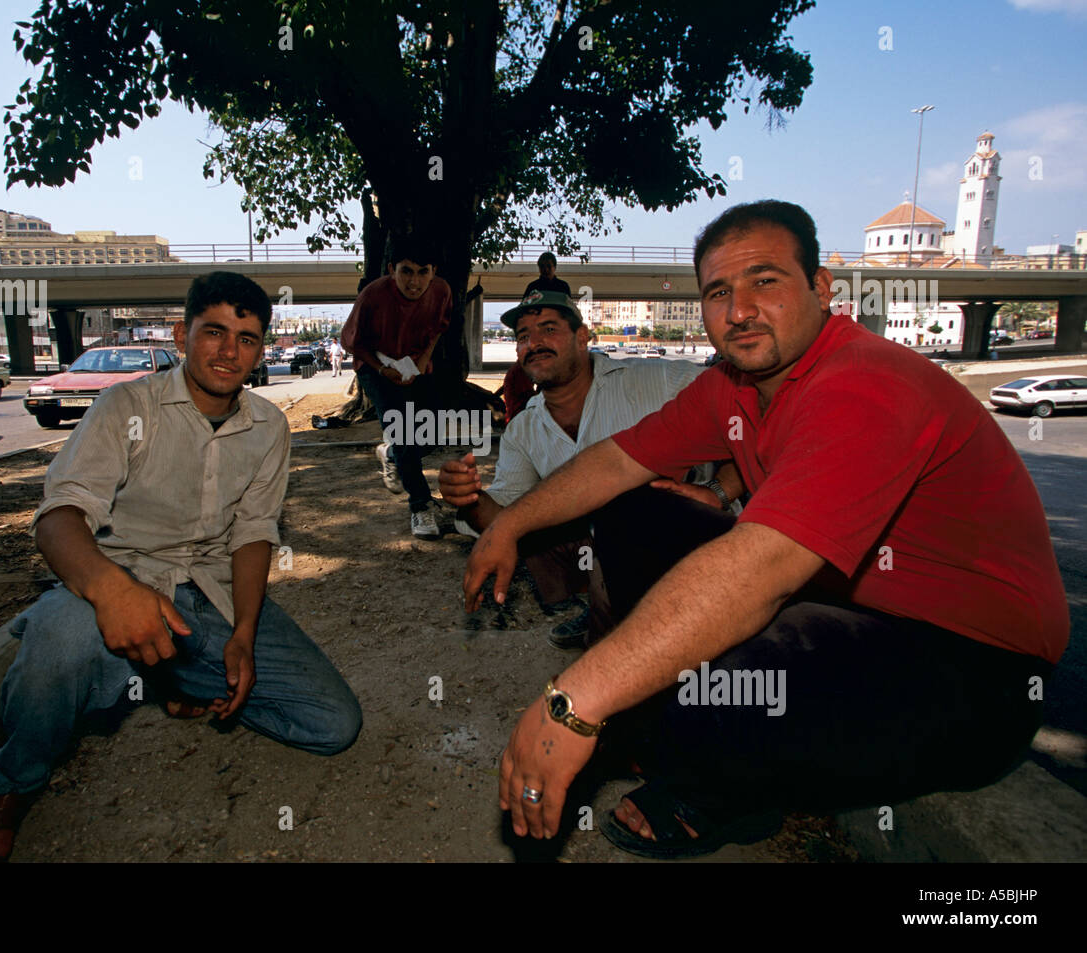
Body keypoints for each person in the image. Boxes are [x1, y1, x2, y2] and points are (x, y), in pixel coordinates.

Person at [464, 200, 1067, 858]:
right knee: (633, 510)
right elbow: (618, 460)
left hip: (979, 672)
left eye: (766, 281)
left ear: (820, 288)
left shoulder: (865, 384)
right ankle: (664, 725)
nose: (740, 309)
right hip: (856, 606)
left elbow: (761, 569)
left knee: (719, 683)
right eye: (718, 291)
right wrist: (510, 525)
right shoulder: (736, 383)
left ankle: (726, 789)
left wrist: (573, 699)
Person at [0, 271, 362, 862]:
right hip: (123, 585)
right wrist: (111, 592)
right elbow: (58, 518)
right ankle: (10, 788)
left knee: (334, 724)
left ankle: (167, 679)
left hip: (211, 596)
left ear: (260, 351)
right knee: (59, 638)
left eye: (247, 339)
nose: (230, 352)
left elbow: (253, 534)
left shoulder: (270, 426)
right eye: (214, 332)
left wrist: (244, 634)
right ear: (181, 335)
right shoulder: (125, 406)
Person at [439, 290, 713, 649]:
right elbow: (503, 515)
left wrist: (724, 488)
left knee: (629, 505)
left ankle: (629, 628)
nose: (533, 343)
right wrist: (469, 498)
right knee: (536, 514)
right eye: (523, 337)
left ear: (582, 337)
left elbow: (743, 402)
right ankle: (605, 605)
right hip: (605, 550)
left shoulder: (657, 380)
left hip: (696, 536)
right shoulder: (524, 428)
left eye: (548, 329)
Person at [341, 236, 453, 539]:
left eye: (422, 272)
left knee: (428, 437)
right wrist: (382, 369)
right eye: (406, 271)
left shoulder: (441, 290)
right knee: (404, 432)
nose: (414, 282)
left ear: (433, 271)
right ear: (392, 269)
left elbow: (438, 330)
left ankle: (391, 454)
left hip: (415, 364)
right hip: (375, 368)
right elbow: (352, 343)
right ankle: (420, 507)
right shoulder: (373, 296)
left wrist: (420, 363)